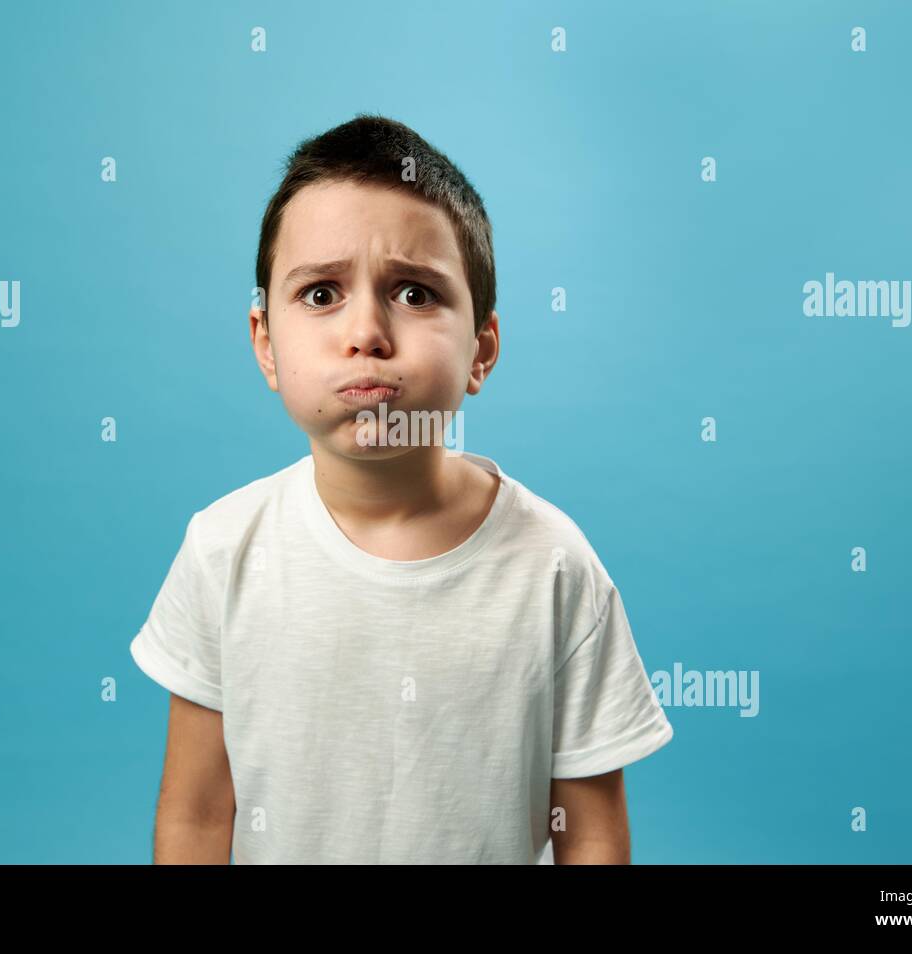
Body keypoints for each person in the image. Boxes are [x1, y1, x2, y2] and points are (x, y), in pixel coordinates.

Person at [130, 114, 673, 864]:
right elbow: (195, 815)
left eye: (415, 294)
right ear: (266, 344)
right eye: (320, 294)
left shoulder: (553, 566)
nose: (367, 332)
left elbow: (593, 835)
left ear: (481, 349)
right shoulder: (223, 550)